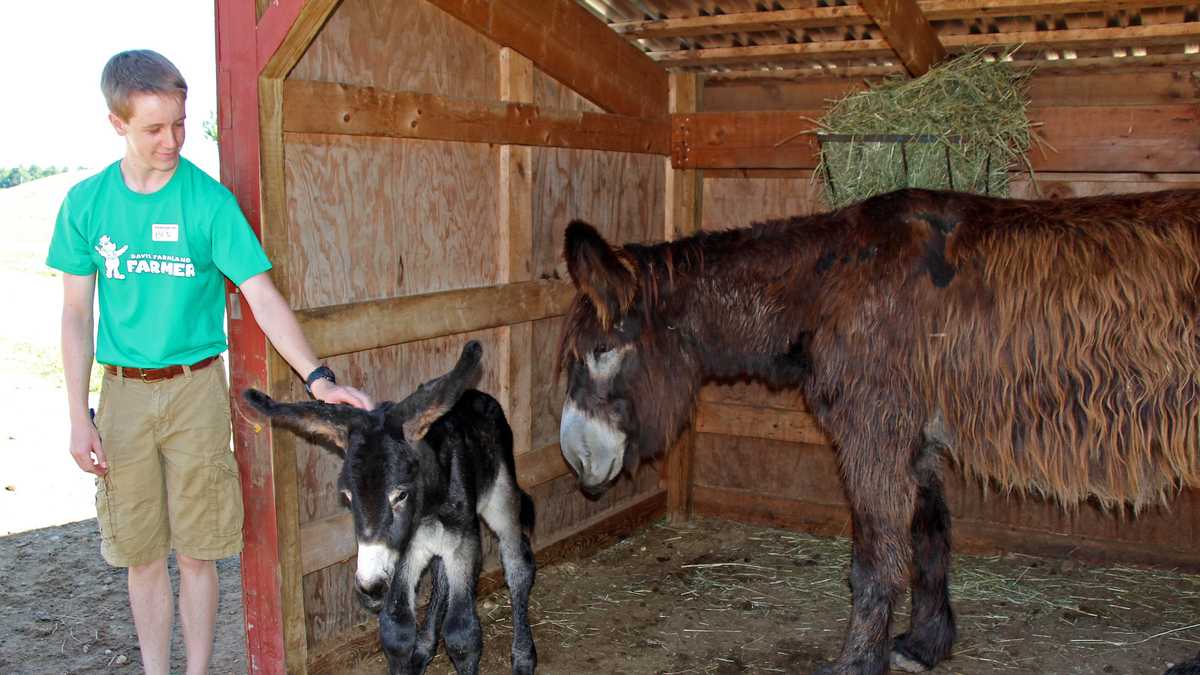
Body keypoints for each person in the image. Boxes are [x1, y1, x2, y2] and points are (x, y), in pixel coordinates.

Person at [46, 49, 374, 675]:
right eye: (154, 128)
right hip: (122, 395)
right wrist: (76, 417)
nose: (172, 140)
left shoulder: (209, 203)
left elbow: (262, 296)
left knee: (199, 552)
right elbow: (75, 315)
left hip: (196, 391)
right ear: (118, 124)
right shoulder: (86, 205)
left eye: (180, 123)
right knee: (142, 555)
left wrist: (320, 377)